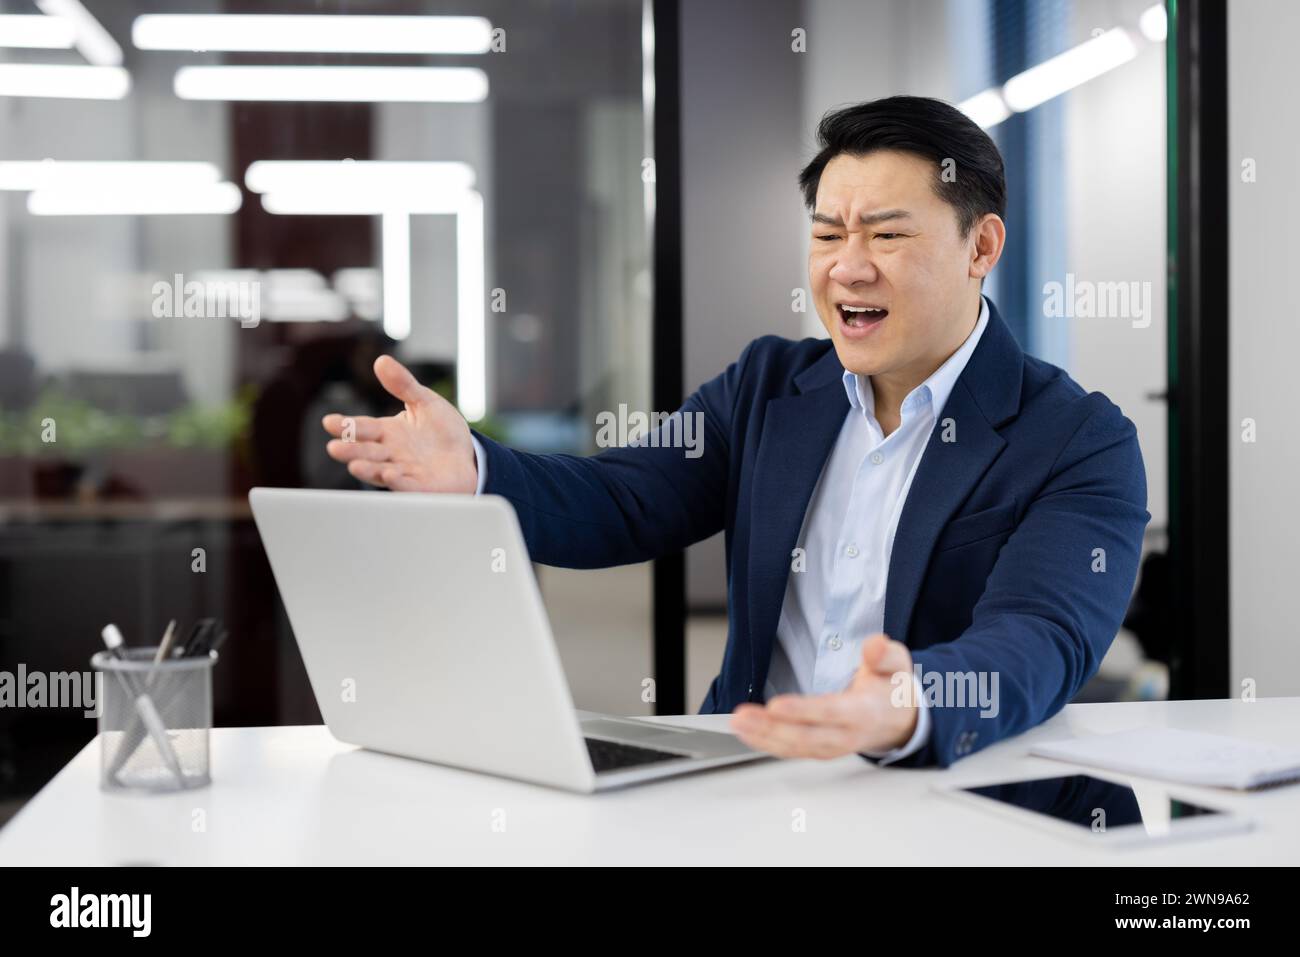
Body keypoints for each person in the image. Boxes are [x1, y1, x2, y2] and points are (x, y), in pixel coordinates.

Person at [320, 95, 1149, 768]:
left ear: (983, 246)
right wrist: (475, 467)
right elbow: (627, 497)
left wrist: (906, 703)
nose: (847, 266)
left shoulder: (1079, 440)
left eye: (889, 235)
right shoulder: (769, 387)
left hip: (943, 792)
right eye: (827, 235)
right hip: (743, 780)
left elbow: (1038, 635)